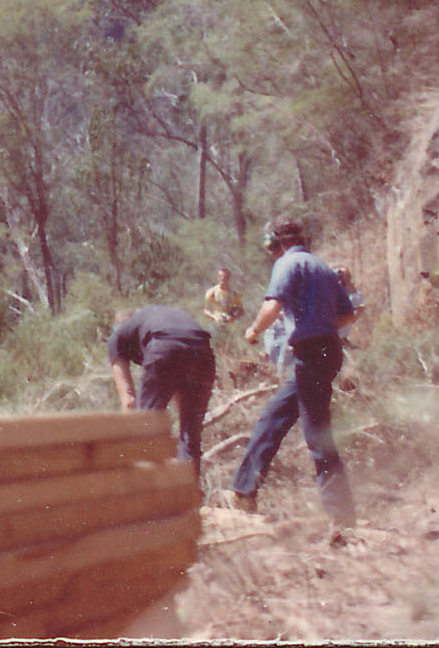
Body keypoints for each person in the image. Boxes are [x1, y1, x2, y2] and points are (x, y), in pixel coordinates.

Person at [229, 218, 358, 523]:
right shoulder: (322, 267)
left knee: (316, 433)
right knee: (273, 417)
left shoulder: (288, 264)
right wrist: (318, 330)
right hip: (325, 353)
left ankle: (341, 515)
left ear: (275, 243)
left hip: (312, 356)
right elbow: (347, 315)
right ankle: (244, 492)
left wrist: (253, 330)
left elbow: (273, 307)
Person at [108, 304, 218, 482]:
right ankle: (189, 499)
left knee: (146, 428)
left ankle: (146, 494)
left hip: (165, 346)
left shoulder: (116, 339)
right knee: (190, 435)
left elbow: (128, 402)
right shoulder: (155, 318)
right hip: (203, 350)